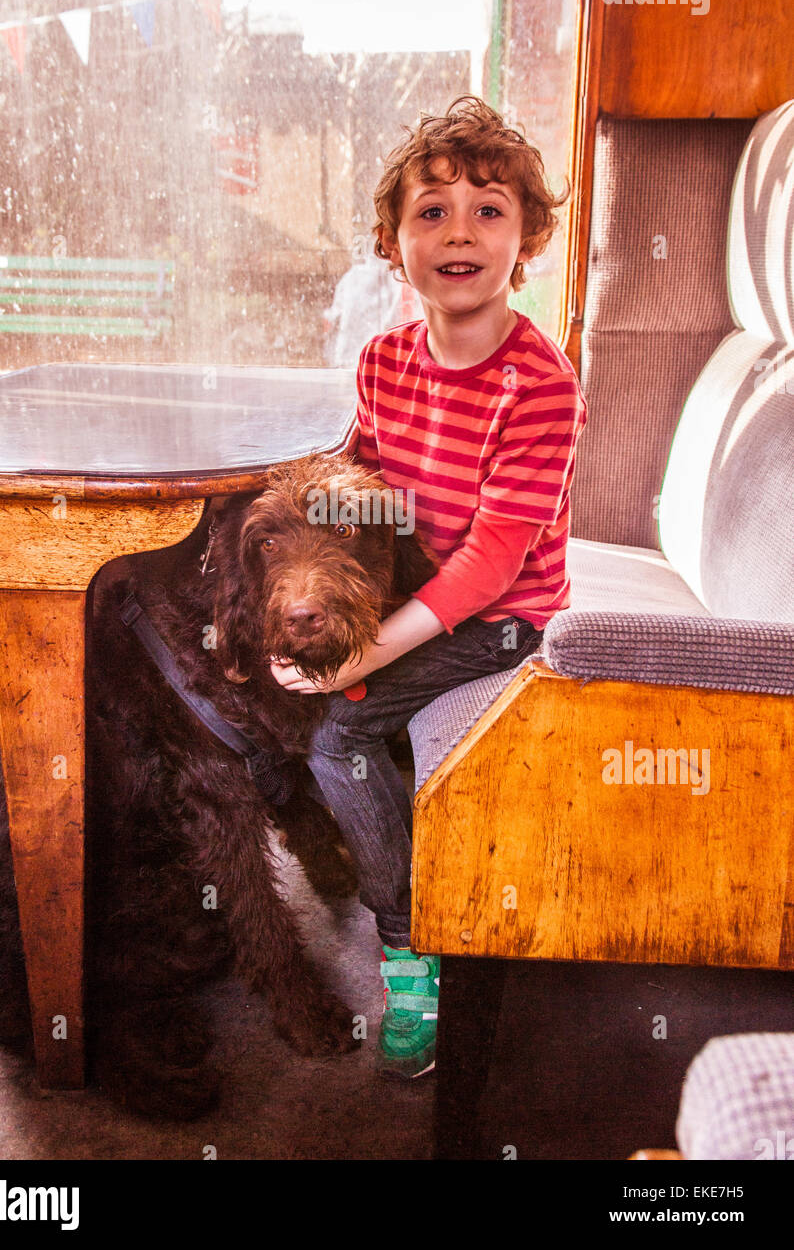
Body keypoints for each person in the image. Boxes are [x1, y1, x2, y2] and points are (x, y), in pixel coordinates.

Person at [271, 95, 587, 1078]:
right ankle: (350, 861)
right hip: (421, 585)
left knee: (341, 726)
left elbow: (492, 561)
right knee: (270, 678)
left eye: (488, 210)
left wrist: (357, 658)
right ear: (390, 240)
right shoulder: (382, 361)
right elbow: (363, 497)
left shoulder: (537, 384)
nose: (459, 231)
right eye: (431, 210)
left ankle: (409, 945)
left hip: (506, 616)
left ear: (526, 240)